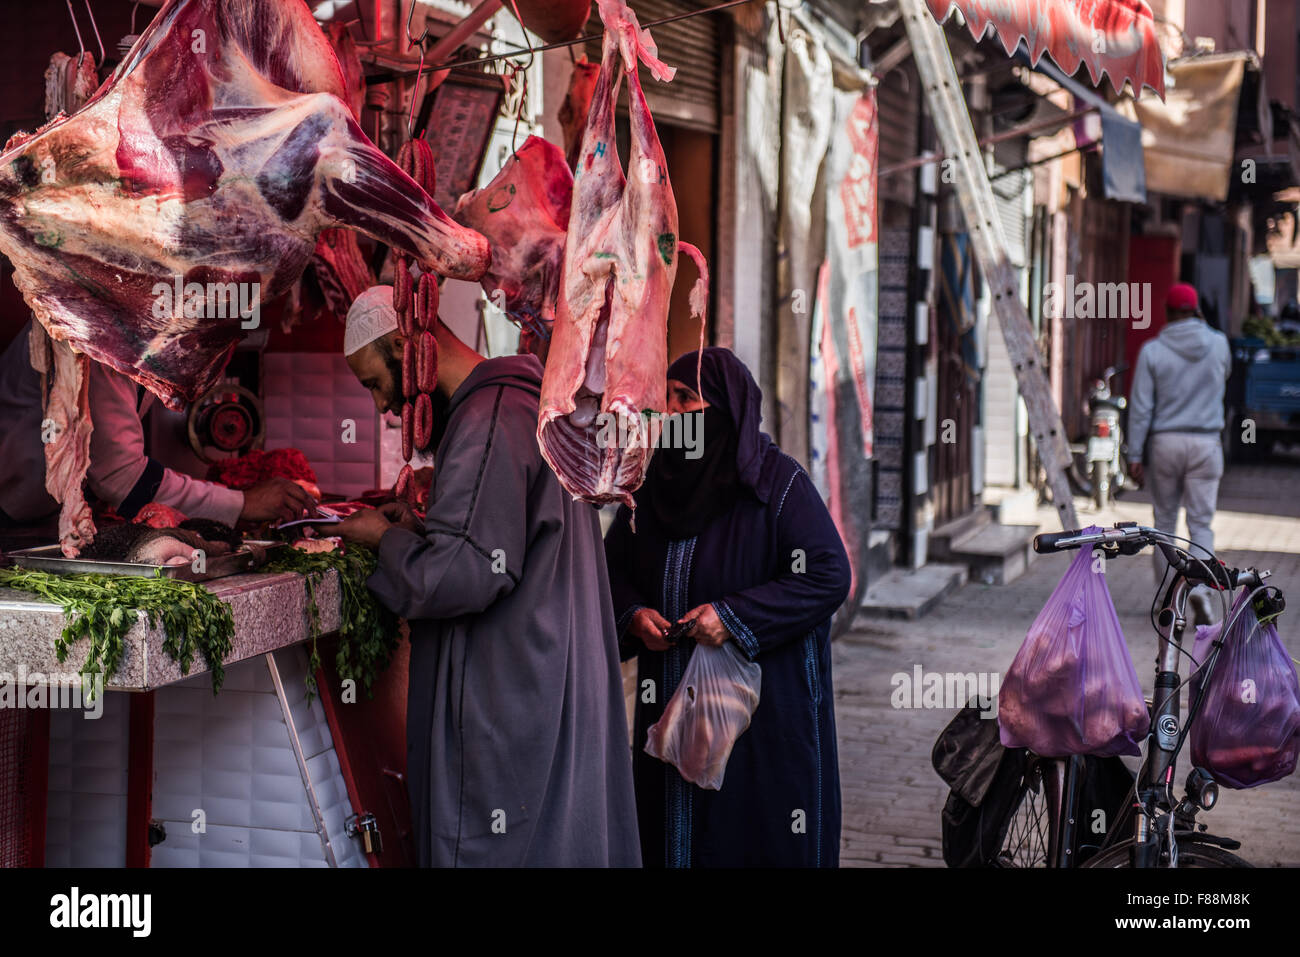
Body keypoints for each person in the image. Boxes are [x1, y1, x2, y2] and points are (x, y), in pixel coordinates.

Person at [331, 285, 640, 867]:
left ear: (402, 346)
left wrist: (383, 539)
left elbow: (461, 576)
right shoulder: (517, 406)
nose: (382, 406)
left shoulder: (489, 418)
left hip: (509, 694)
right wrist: (421, 531)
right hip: (543, 674)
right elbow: (493, 540)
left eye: (374, 383)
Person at [604, 346, 851, 867]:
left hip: (757, 714)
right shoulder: (650, 488)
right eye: (667, 398)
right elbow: (612, 571)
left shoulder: (776, 486)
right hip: (666, 707)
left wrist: (733, 618)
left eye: (686, 398)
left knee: (747, 834)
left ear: (727, 408)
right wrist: (635, 617)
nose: (672, 412)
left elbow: (828, 574)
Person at [0, 318, 314, 533]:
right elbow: (124, 480)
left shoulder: (143, 346)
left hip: (43, 511)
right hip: (12, 511)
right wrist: (243, 504)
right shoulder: (102, 335)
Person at [1126, 283, 1231, 612]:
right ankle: (1200, 589)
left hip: (1165, 443)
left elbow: (1141, 407)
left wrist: (1134, 454)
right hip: (1206, 443)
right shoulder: (1219, 344)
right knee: (1201, 524)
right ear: (1197, 310)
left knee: (1165, 524)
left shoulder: (1152, 351)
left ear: (1167, 312)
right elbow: (1225, 376)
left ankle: (1169, 598)